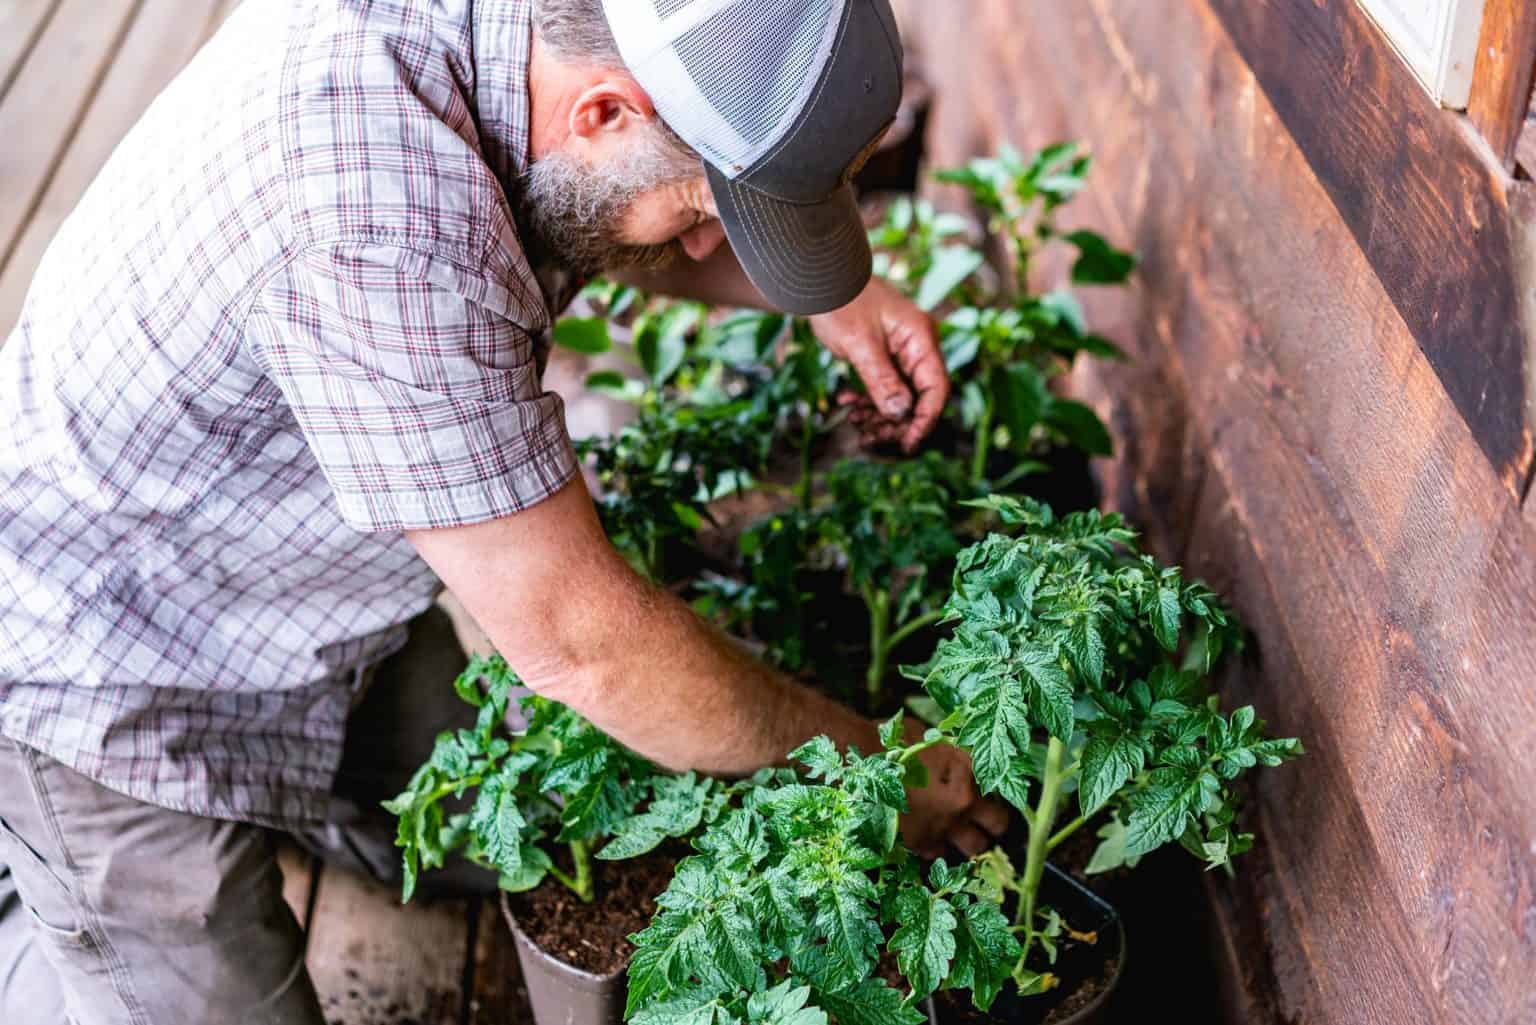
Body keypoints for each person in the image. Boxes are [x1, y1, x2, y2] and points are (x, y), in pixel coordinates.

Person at [0, 0, 1005, 1021]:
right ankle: (42, 886)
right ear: (609, 111)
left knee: (580, 815)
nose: (707, 245)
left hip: (318, 605)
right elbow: (586, 645)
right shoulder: (381, 217)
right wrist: (882, 768)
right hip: (109, 667)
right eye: (708, 213)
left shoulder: (544, 44)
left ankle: (290, 812)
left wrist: (821, 288)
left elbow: (589, 191)